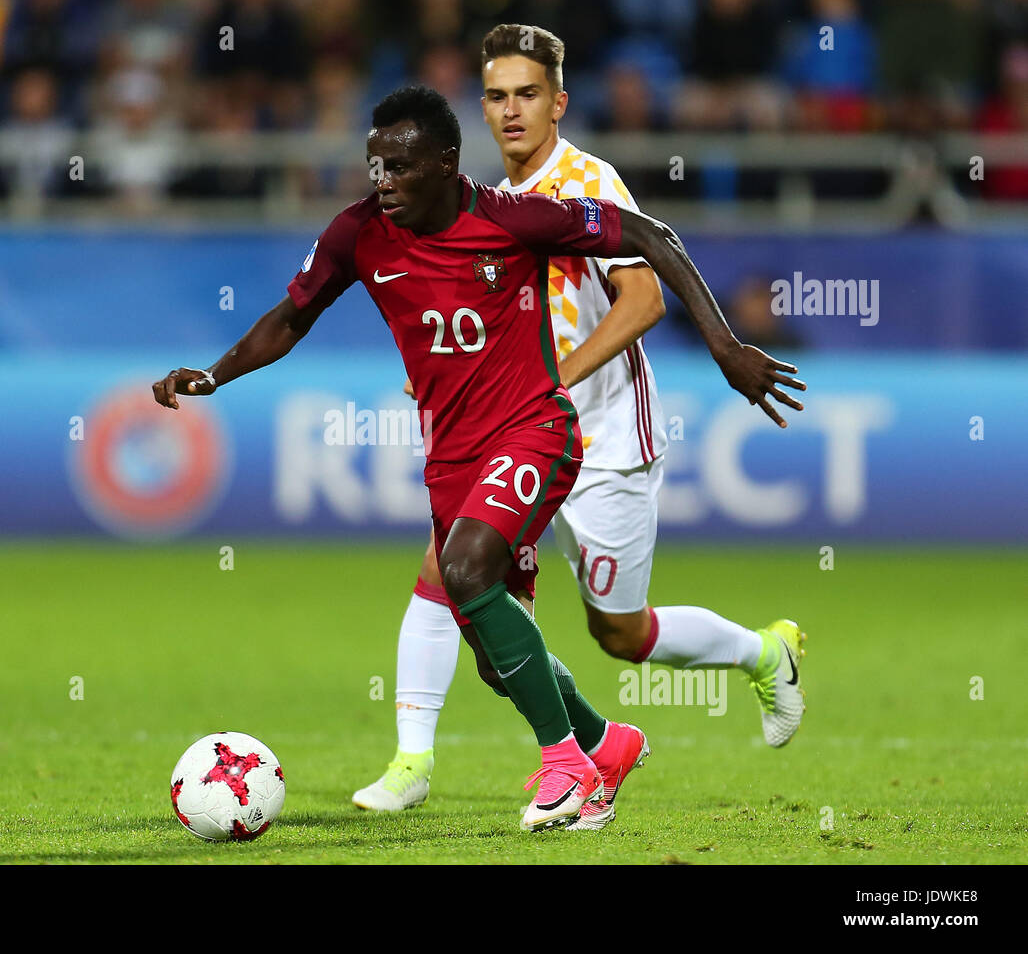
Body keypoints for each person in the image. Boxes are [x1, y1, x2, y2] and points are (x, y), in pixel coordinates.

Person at [155, 84, 801, 831]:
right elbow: (291, 317)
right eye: (375, 167)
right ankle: (605, 740)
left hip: (534, 430)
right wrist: (214, 373)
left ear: (445, 162)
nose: (384, 183)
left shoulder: (512, 218)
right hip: (453, 459)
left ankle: (563, 768)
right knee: (497, 659)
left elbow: (653, 236)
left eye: (399, 167)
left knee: (461, 570)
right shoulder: (357, 234)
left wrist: (724, 345)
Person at [351, 26, 807, 829]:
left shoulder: (590, 181)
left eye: (528, 94)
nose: (511, 110)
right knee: (454, 576)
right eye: (496, 96)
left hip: (606, 448)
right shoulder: (484, 196)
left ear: (558, 102)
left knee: (622, 634)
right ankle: (415, 759)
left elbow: (644, 299)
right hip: (519, 439)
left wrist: (547, 382)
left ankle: (763, 655)